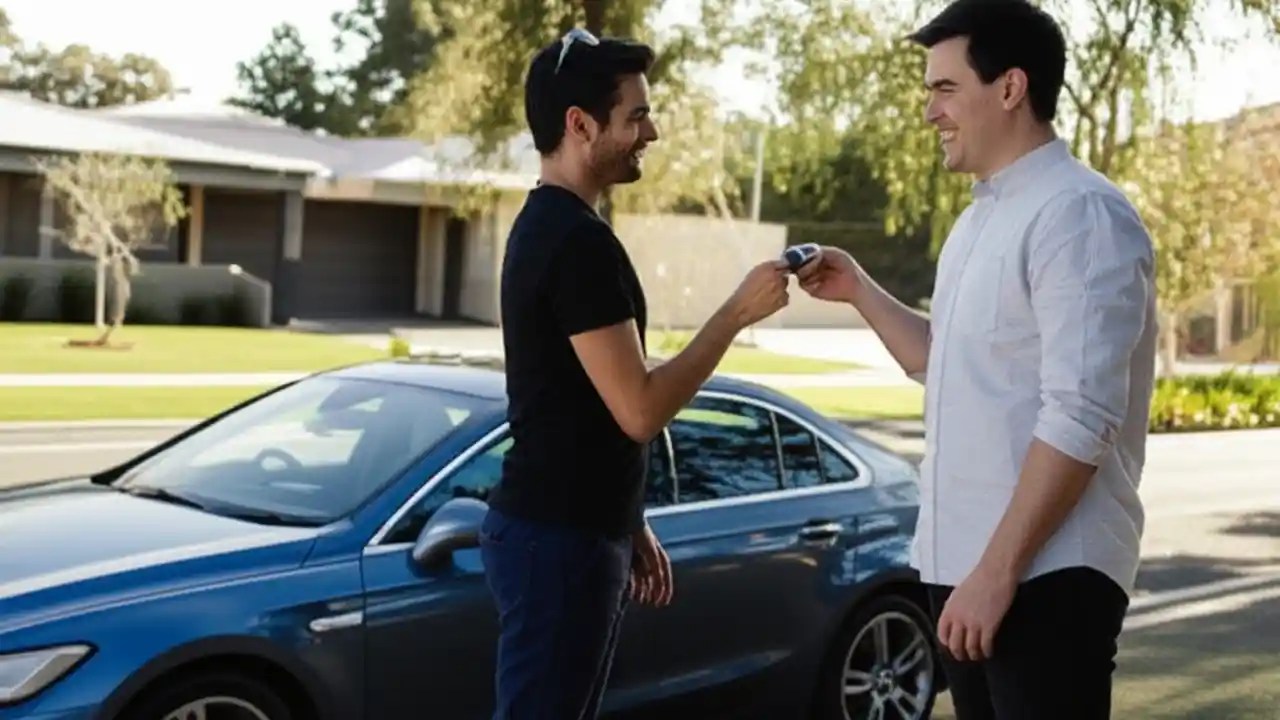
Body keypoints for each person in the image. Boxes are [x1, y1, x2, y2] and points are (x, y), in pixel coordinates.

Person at [796, 1, 1157, 718]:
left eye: (944, 88)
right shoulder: (979, 219)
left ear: (1011, 87)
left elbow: (1082, 416)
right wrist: (860, 290)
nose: (930, 111)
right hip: (963, 572)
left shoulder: (1079, 214)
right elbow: (946, 363)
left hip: (1045, 578)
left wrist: (998, 573)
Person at [480, 28, 791, 720]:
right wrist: (735, 314)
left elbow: (580, 399)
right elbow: (641, 409)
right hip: (556, 542)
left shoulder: (548, 227)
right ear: (579, 125)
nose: (652, 131)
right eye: (636, 115)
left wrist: (626, 518)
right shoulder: (575, 244)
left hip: (569, 530)